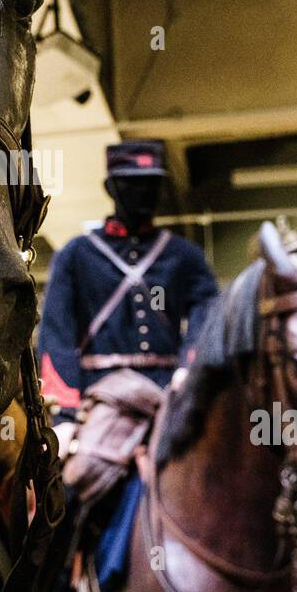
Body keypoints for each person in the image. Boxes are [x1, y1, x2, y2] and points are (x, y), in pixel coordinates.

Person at [37, 140, 219, 411]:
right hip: (98, 396)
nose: (144, 194)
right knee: (83, 455)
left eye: (152, 185)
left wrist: (189, 368)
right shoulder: (75, 255)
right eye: (132, 184)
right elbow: (56, 333)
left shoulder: (184, 255)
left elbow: (209, 311)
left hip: (169, 393)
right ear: (110, 188)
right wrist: (65, 411)